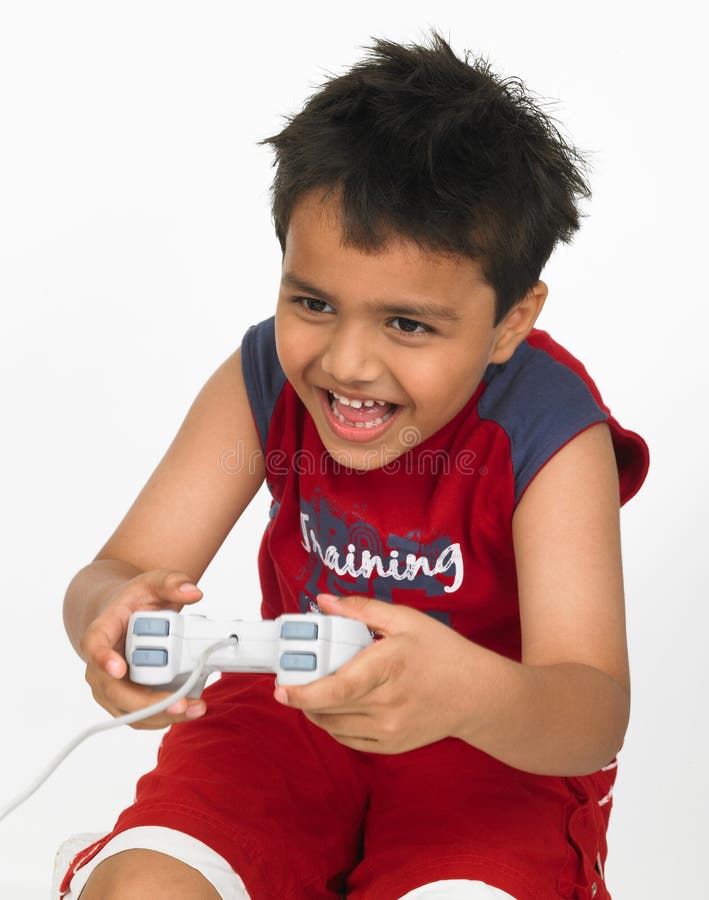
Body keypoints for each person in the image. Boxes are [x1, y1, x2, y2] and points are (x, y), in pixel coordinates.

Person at [60, 32, 649, 900]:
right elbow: (113, 571)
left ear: (510, 322)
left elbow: (591, 714)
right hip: (288, 724)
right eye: (313, 302)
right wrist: (109, 617)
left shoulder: (550, 431)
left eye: (407, 324)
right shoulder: (263, 378)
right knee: (145, 888)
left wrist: (466, 696)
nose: (345, 362)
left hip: (490, 749)